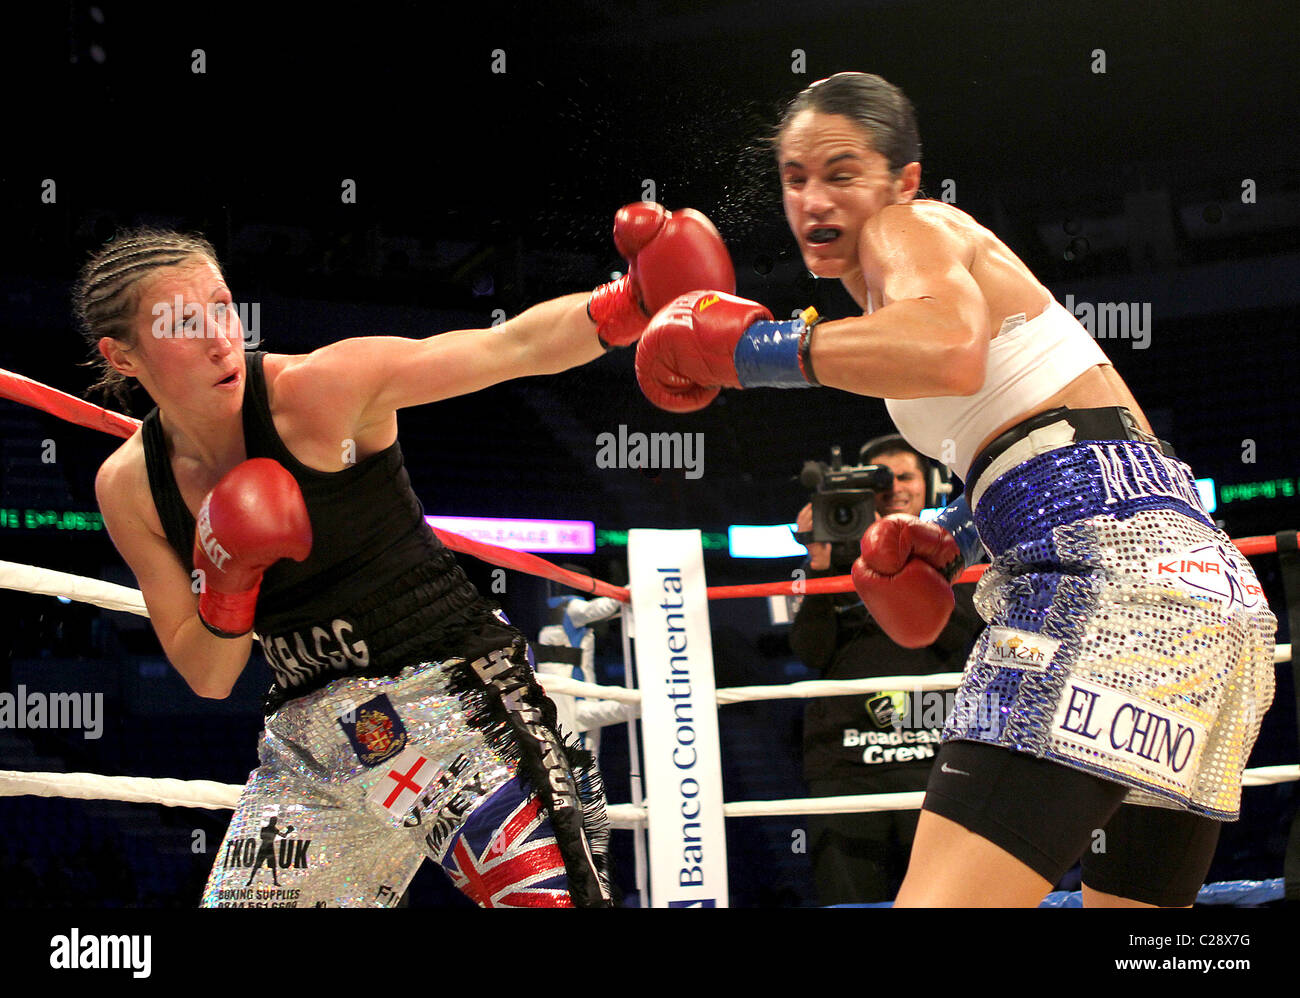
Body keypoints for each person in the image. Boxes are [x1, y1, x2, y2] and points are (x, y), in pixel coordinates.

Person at [634, 72, 1277, 907]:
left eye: (841, 171)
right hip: (1209, 598)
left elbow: (948, 348)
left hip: (1108, 594)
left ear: (902, 179)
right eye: (795, 177)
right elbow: (1108, 445)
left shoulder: (914, 226)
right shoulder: (915, 295)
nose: (813, 198)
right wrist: (958, 529)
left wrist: (752, 354)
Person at [81, 201, 734, 908]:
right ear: (122, 355)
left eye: (220, 308)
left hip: (453, 702)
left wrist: (632, 304)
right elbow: (209, 673)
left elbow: (506, 350)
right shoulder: (130, 487)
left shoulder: (317, 393)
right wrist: (227, 578)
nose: (218, 340)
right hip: (310, 747)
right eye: (181, 326)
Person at [791, 435, 981, 904]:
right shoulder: (826, 561)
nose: (894, 487)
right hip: (848, 765)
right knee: (851, 902)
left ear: (929, 485)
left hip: (940, 763)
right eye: (879, 480)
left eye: (905, 476)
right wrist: (819, 561)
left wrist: (909, 562)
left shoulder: (963, 554)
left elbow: (965, 637)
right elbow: (811, 653)